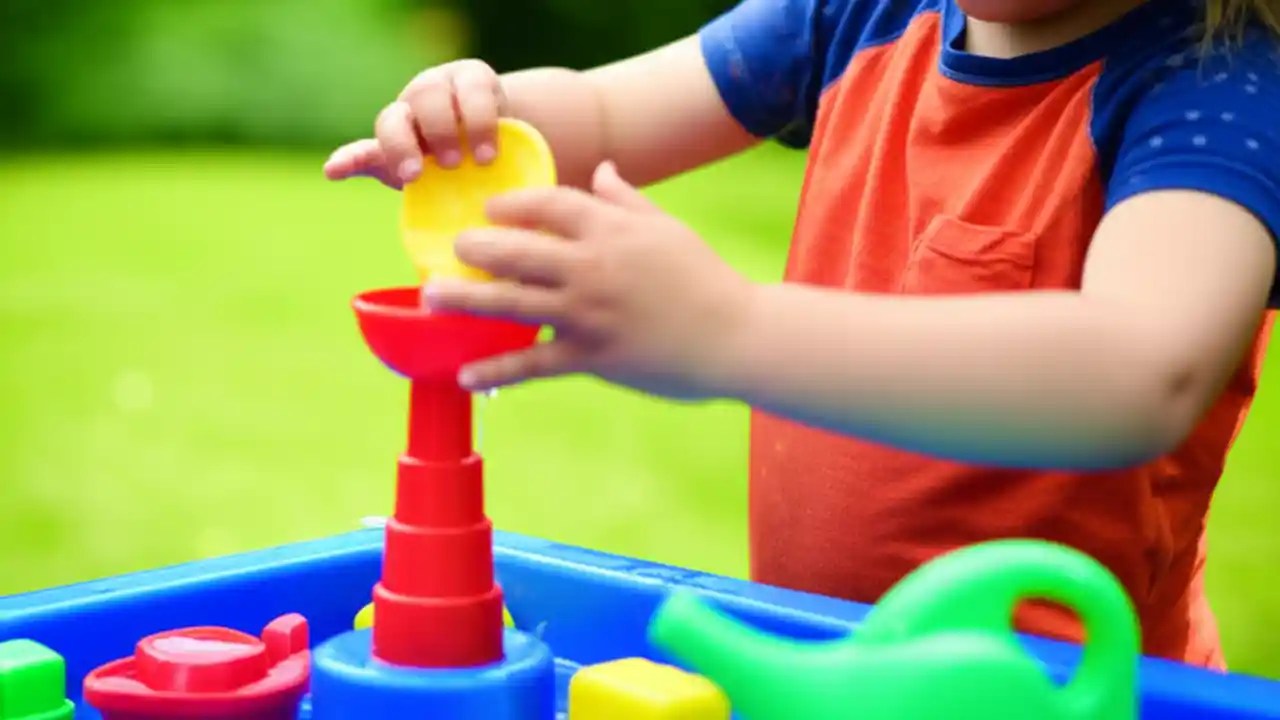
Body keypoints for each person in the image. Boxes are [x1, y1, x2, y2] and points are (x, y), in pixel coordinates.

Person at [324, 0, 1280, 669]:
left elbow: (1140, 370)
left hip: (1060, 691)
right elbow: (610, 112)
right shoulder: (855, 12)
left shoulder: (1219, 87)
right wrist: (488, 112)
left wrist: (729, 330)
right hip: (824, 665)